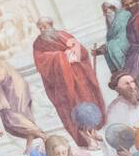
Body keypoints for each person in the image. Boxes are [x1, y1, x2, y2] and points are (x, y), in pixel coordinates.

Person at [32, 18, 104, 147]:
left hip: (79, 78)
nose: (42, 30)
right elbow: (41, 62)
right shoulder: (38, 44)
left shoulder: (65, 36)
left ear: (51, 25)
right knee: (74, 109)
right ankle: (86, 139)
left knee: (87, 104)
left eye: (44, 27)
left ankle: (93, 131)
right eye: (40, 28)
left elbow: (81, 51)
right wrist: (61, 56)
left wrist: (70, 53)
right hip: (61, 84)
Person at [94, 0, 131, 75]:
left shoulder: (124, 16)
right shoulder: (111, 21)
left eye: (109, 9)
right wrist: (102, 48)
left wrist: (106, 46)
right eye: (104, 11)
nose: (106, 13)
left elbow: (124, 39)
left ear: (115, 8)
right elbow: (112, 39)